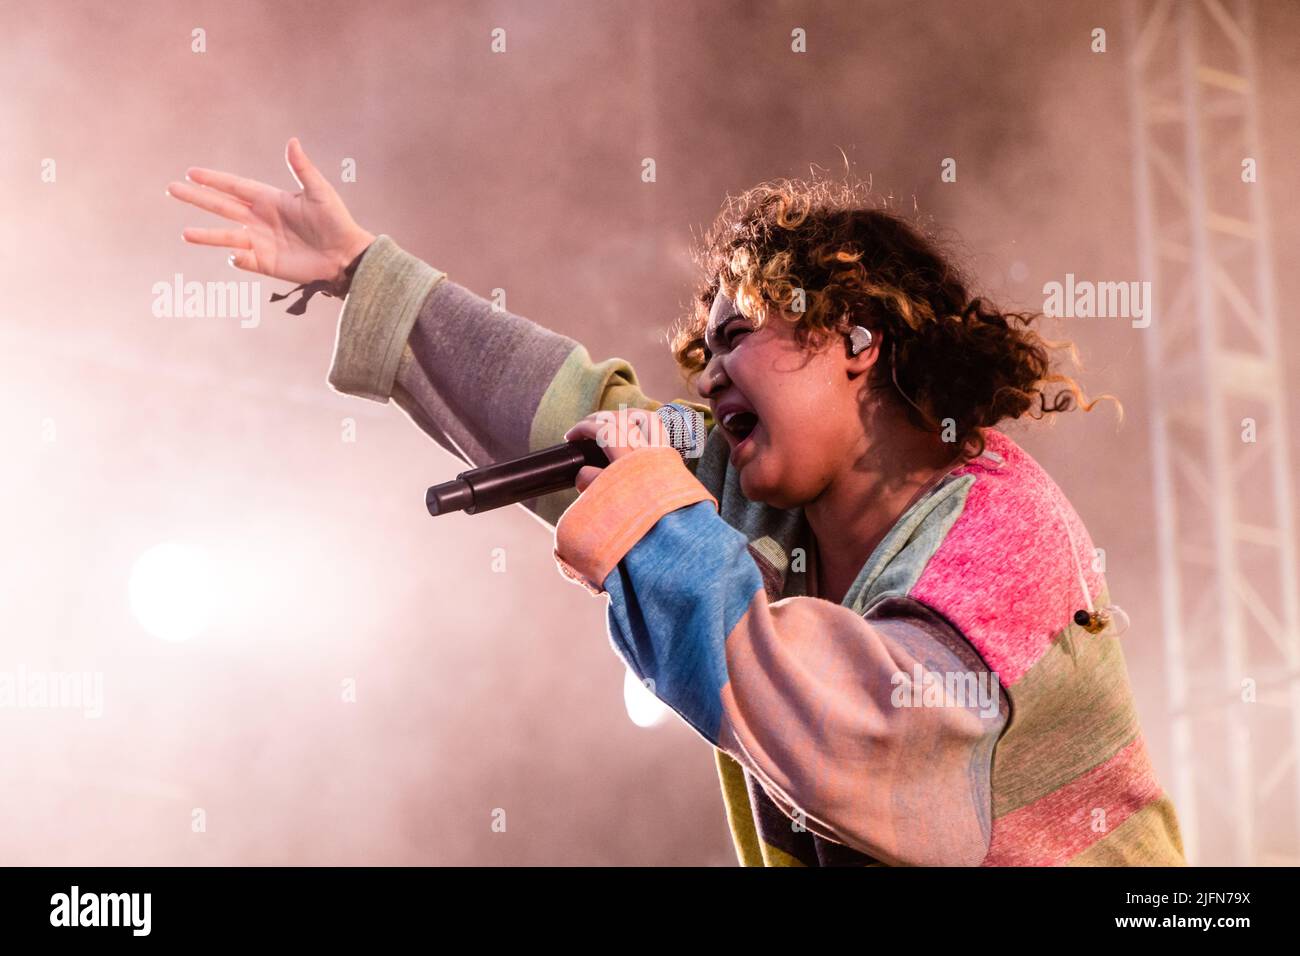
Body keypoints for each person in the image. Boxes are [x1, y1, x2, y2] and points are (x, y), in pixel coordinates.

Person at [167, 138, 1187, 867]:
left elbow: (863, 747)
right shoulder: (775, 510)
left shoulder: (1003, 533)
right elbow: (569, 407)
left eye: (737, 333)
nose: (706, 378)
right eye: (706, 351)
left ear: (854, 339)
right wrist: (364, 274)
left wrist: (657, 519)